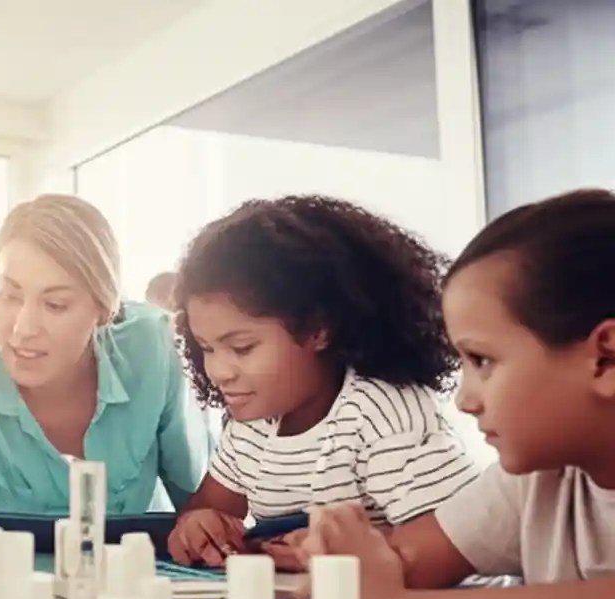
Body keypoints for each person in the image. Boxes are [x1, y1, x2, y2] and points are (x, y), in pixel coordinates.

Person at [298, 189, 615, 599]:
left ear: (606, 358)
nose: (464, 400)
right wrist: (350, 557)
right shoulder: (537, 481)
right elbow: (411, 559)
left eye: (483, 360)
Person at [167, 196, 480, 569]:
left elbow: (460, 543)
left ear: (317, 330)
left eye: (241, 347)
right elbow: (208, 507)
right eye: (206, 348)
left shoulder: (378, 412)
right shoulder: (252, 422)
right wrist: (197, 525)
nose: (219, 370)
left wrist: (337, 551)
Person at [0, 195, 213, 549]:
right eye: (10, 296)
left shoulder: (153, 350)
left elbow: (201, 499)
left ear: (104, 308)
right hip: (20, 588)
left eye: (55, 304)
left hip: (137, 583)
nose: (23, 329)